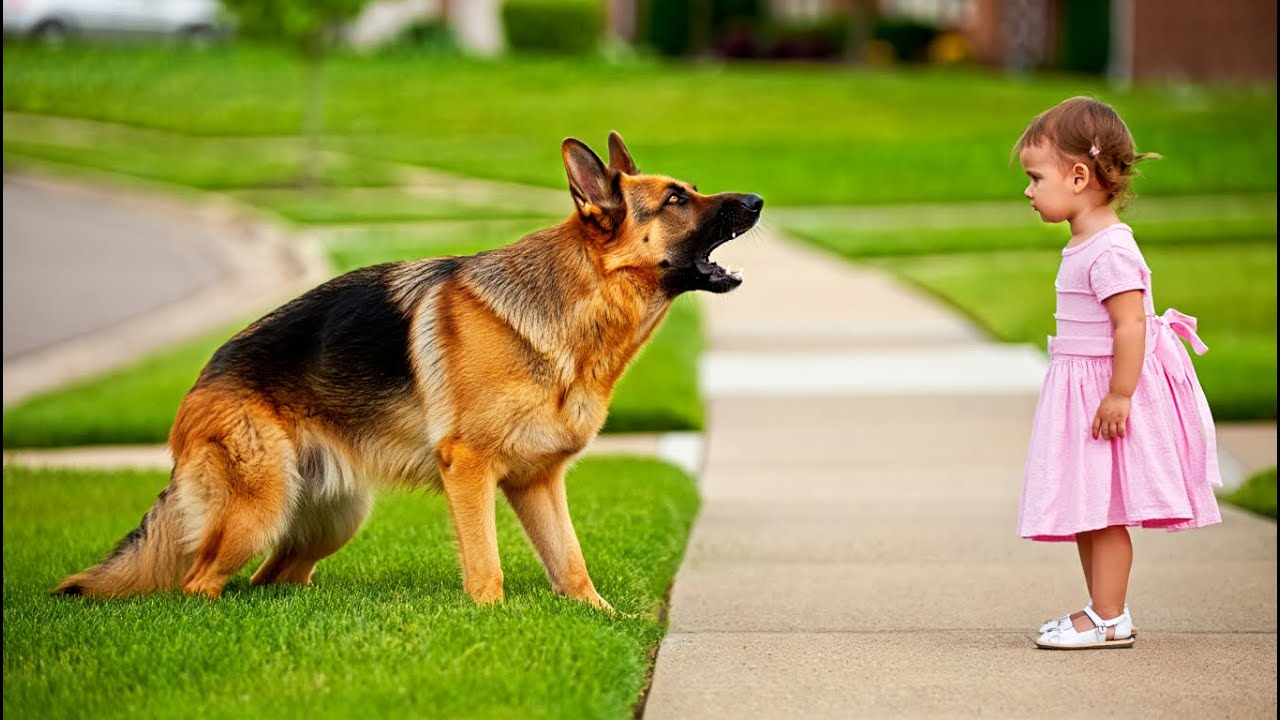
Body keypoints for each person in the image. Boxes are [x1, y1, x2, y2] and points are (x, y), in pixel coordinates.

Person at [1014, 96, 1222, 650]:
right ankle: (1101, 610)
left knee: (1105, 510)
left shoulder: (1110, 250)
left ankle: (1109, 616)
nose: (1029, 191)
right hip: (1083, 390)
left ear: (1078, 176)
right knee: (1088, 504)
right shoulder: (1085, 243)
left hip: (1106, 394)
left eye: (1036, 178)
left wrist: (1120, 395)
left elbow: (1131, 326)